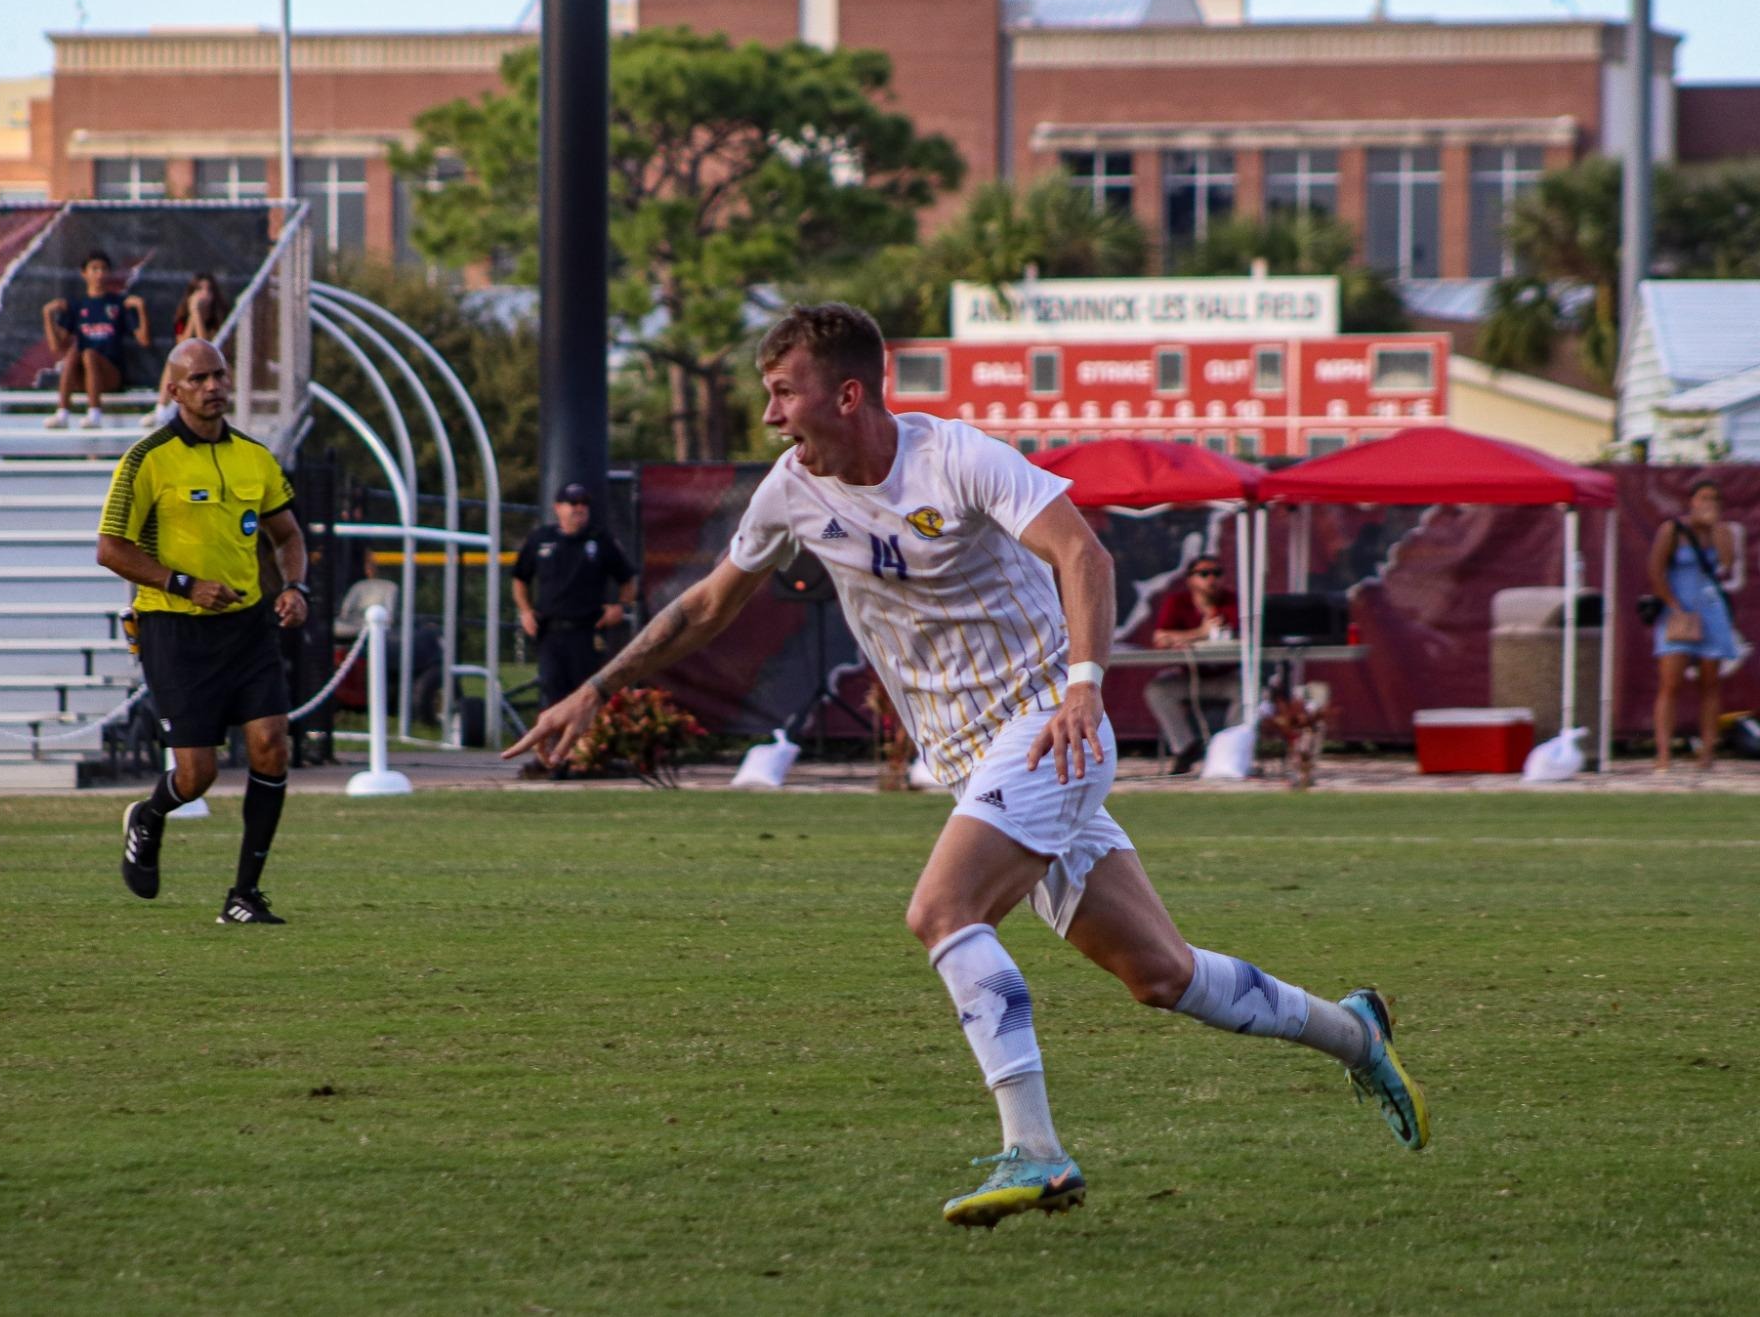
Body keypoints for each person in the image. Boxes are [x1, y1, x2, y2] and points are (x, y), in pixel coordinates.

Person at [506, 303, 1429, 1229]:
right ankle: (1356, 1031)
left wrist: (1082, 686)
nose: (772, 416)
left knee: (940, 911)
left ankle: (1036, 1151)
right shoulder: (792, 489)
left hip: (1047, 731)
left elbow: (1084, 553)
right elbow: (706, 605)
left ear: (850, 391)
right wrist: (596, 688)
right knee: (1163, 974)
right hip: (974, 760)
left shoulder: (959, 458)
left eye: (785, 392)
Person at [96, 338, 310, 925]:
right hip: (175, 629)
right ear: (174, 391)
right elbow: (110, 549)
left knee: (271, 745)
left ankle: (244, 894)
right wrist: (184, 585)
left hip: (247, 628)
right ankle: (150, 814)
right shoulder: (147, 459)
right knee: (198, 774)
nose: (213, 386)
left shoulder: (255, 457)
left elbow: (287, 536)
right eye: (198, 379)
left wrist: (294, 589)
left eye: (219, 375)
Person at [512, 482, 640, 708]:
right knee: (552, 695)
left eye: (583, 504)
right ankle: (553, 743)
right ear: (558, 507)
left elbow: (628, 580)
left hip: (587, 633)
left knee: (586, 696)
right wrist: (525, 611)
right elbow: (520, 579)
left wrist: (621, 607)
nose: (579, 508)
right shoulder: (541, 539)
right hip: (550, 633)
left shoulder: (600, 540)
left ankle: (585, 742)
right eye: (573, 503)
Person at [1647, 479, 1740, 771]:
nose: (1708, 504)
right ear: (1692, 501)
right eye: (1703, 498)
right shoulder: (1673, 530)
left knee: (1710, 682)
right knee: (1670, 682)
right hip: (1679, 610)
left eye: (1714, 499)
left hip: (1710, 609)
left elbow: (1726, 563)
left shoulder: (1721, 531)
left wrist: (1715, 528)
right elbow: (1656, 571)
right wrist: (1674, 607)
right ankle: (1663, 753)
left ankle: (1708, 752)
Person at [1143, 554, 1243, 775]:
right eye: (1204, 574)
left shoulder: (1234, 601)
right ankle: (1185, 747)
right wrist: (1200, 633)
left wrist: (1185, 637)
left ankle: (1228, 749)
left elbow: (1246, 637)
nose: (1211, 579)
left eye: (1217, 573)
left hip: (1226, 678)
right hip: (1190, 678)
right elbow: (1160, 637)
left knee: (1248, 691)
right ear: (1190, 579)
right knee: (1158, 690)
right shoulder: (1178, 602)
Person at [43, 250, 149, 430]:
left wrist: (141, 309)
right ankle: (62, 413)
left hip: (110, 374)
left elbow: (144, 340)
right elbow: (55, 346)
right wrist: (47, 315)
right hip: (82, 377)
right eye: (94, 269)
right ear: (84, 273)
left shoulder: (118, 304)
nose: (99, 274)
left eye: (104, 269)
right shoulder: (77, 306)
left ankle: (94, 414)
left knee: (89, 354)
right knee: (74, 352)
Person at [144, 272, 230, 428]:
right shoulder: (182, 317)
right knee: (173, 363)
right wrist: (193, 315)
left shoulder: (220, 317)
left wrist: (199, 316)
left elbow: (207, 353)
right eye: (199, 289)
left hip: (220, 370)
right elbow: (181, 348)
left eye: (208, 290)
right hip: (194, 371)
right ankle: (161, 410)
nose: (204, 295)